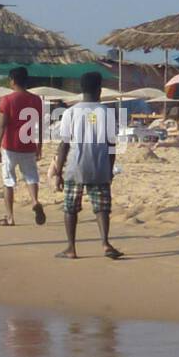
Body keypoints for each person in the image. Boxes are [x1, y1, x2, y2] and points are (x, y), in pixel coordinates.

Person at [52, 71, 122, 259]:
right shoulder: (107, 113)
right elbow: (111, 145)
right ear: (100, 90)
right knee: (102, 208)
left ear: (81, 90)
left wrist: (58, 172)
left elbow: (64, 144)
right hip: (100, 166)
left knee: (70, 208)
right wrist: (110, 169)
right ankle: (105, 243)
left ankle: (71, 248)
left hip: (75, 166)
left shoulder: (70, 112)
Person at [0, 67, 46, 226]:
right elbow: (40, 125)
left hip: (10, 146)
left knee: (8, 180)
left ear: (12, 81)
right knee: (31, 177)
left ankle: (10, 217)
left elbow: (2, 126)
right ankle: (34, 201)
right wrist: (40, 146)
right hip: (28, 145)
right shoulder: (36, 100)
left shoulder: (7, 100)